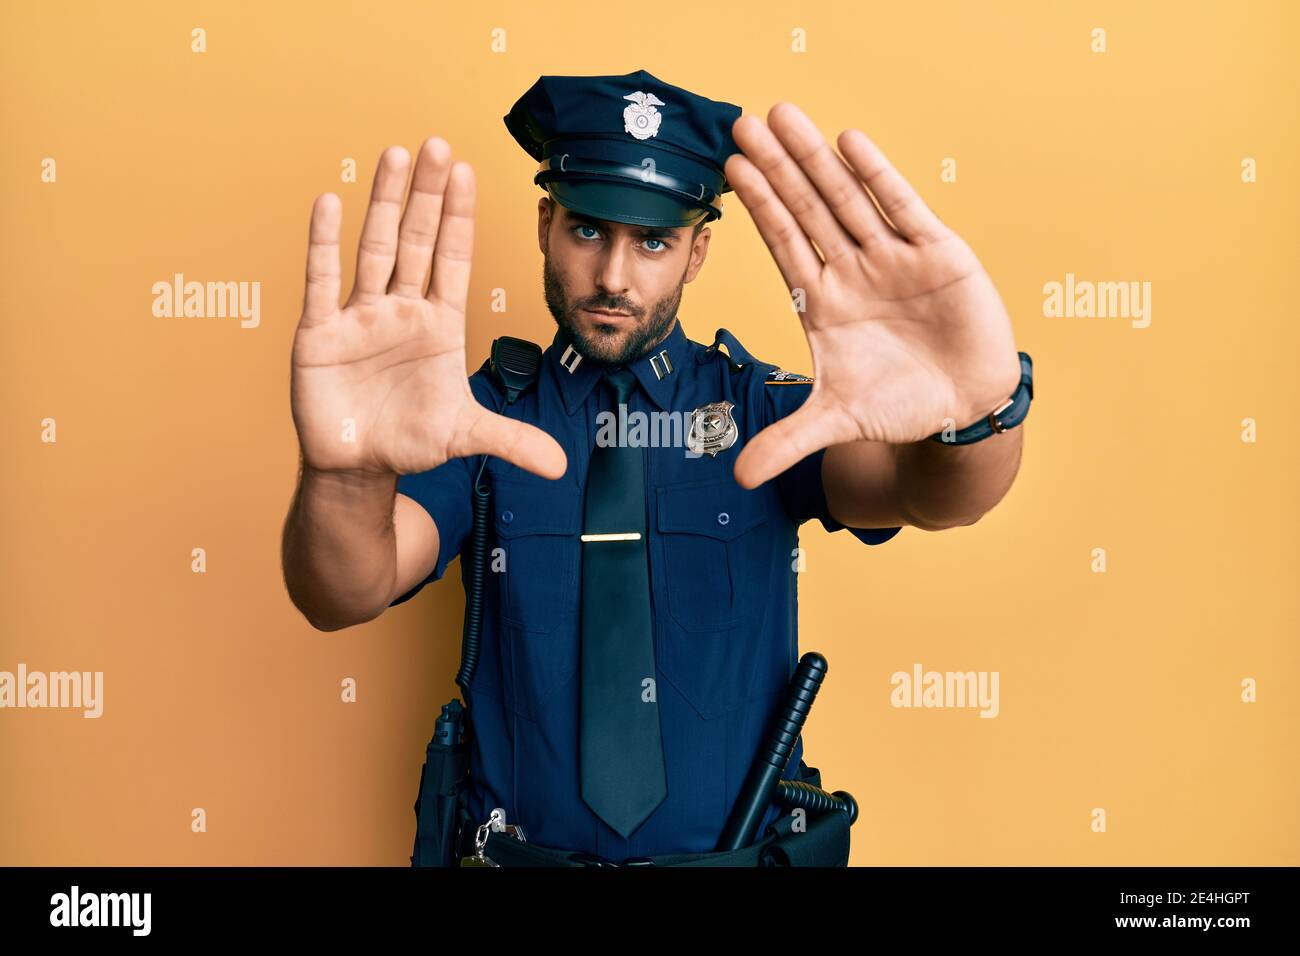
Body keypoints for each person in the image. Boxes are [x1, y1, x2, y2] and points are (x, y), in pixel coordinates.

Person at [280, 69, 1032, 865]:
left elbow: (931, 496)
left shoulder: (767, 413)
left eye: (653, 241)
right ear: (545, 224)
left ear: (697, 252)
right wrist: (347, 472)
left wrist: (977, 412)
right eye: (588, 230)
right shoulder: (473, 420)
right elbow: (341, 592)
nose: (614, 276)